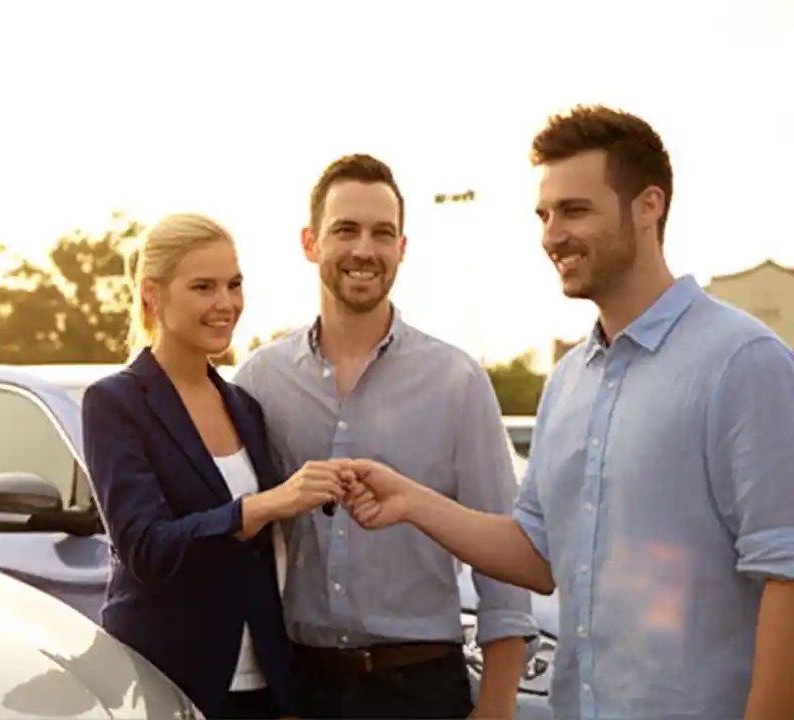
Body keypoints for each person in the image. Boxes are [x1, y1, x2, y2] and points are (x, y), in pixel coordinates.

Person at [344, 105, 794, 720]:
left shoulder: (744, 362)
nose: (553, 234)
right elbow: (538, 553)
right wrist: (411, 502)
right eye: (545, 214)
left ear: (648, 206)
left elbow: (786, 573)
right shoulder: (568, 382)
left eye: (575, 211)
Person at [232, 154, 537, 719]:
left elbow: (505, 552)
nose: (364, 250)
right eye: (345, 230)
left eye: (382, 233)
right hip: (304, 689)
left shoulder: (456, 379)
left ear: (402, 247)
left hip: (421, 688)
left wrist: (497, 703)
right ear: (310, 242)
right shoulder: (259, 380)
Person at [81, 212, 350, 719]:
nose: (225, 304)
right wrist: (260, 506)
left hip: (258, 687)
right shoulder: (115, 402)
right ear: (152, 295)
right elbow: (146, 546)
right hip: (164, 681)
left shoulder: (243, 406)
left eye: (234, 284)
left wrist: (284, 691)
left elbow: (262, 564)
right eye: (203, 287)